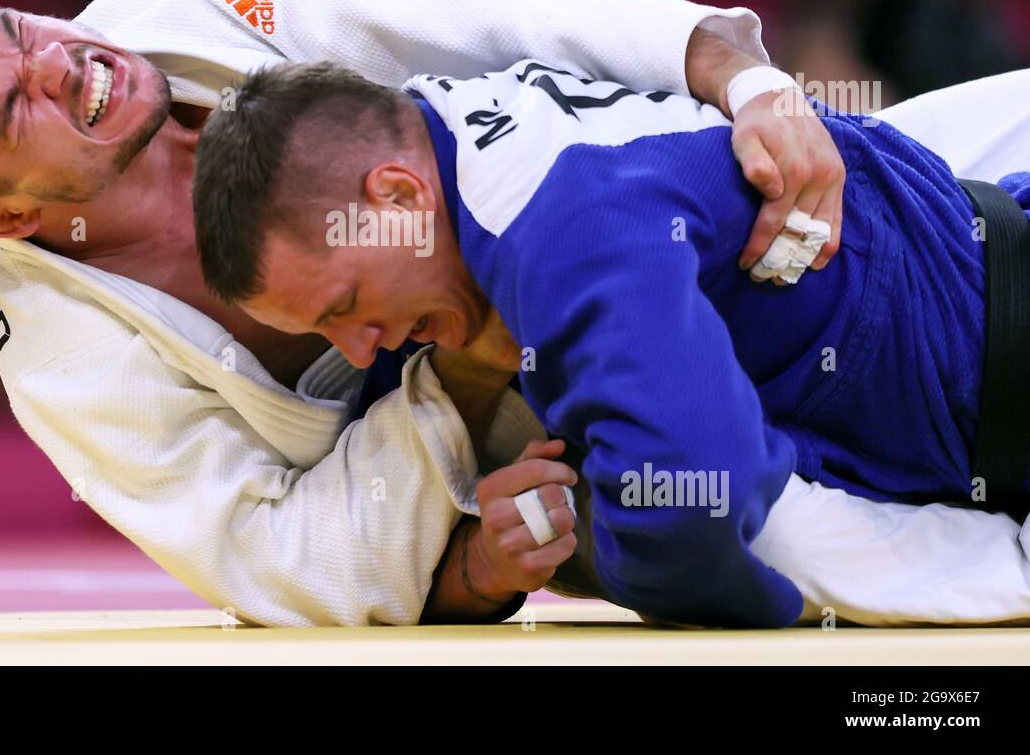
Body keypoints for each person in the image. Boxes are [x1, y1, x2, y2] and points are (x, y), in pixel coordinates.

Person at [190, 57, 1030, 627]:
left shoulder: (561, 228)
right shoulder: (459, 117)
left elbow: (695, 513)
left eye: (347, 304)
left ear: (397, 193)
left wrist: (597, 543)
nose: (363, 348)